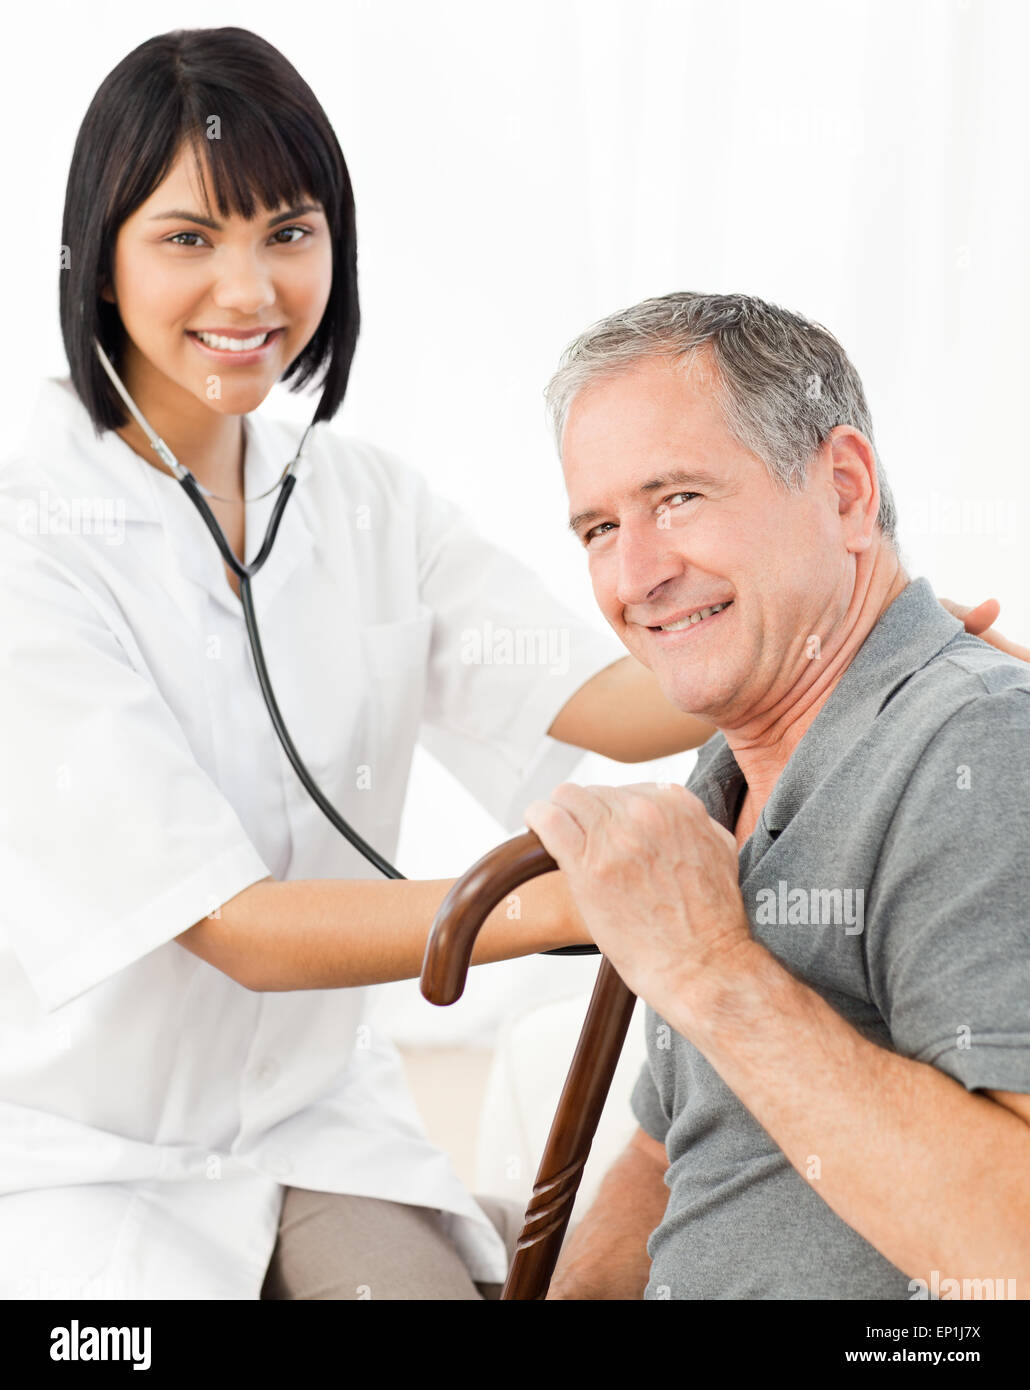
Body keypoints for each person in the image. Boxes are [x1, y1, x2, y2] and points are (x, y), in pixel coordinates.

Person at [0, 27, 721, 1302]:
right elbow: (228, 927)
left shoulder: (363, 501)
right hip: (79, 1160)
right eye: (188, 238)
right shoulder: (29, 530)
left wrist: (832, 631)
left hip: (314, 1126)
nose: (249, 290)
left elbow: (600, 700)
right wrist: (576, 904)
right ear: (98, 255)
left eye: (287, 231)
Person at [523, 290, 1030, 1300]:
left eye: (677, 500)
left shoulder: (972, 744)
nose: (636, 573)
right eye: (597, 527)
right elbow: (668, 1162)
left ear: (844, 489)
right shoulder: (728, 780)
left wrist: (710, 965)